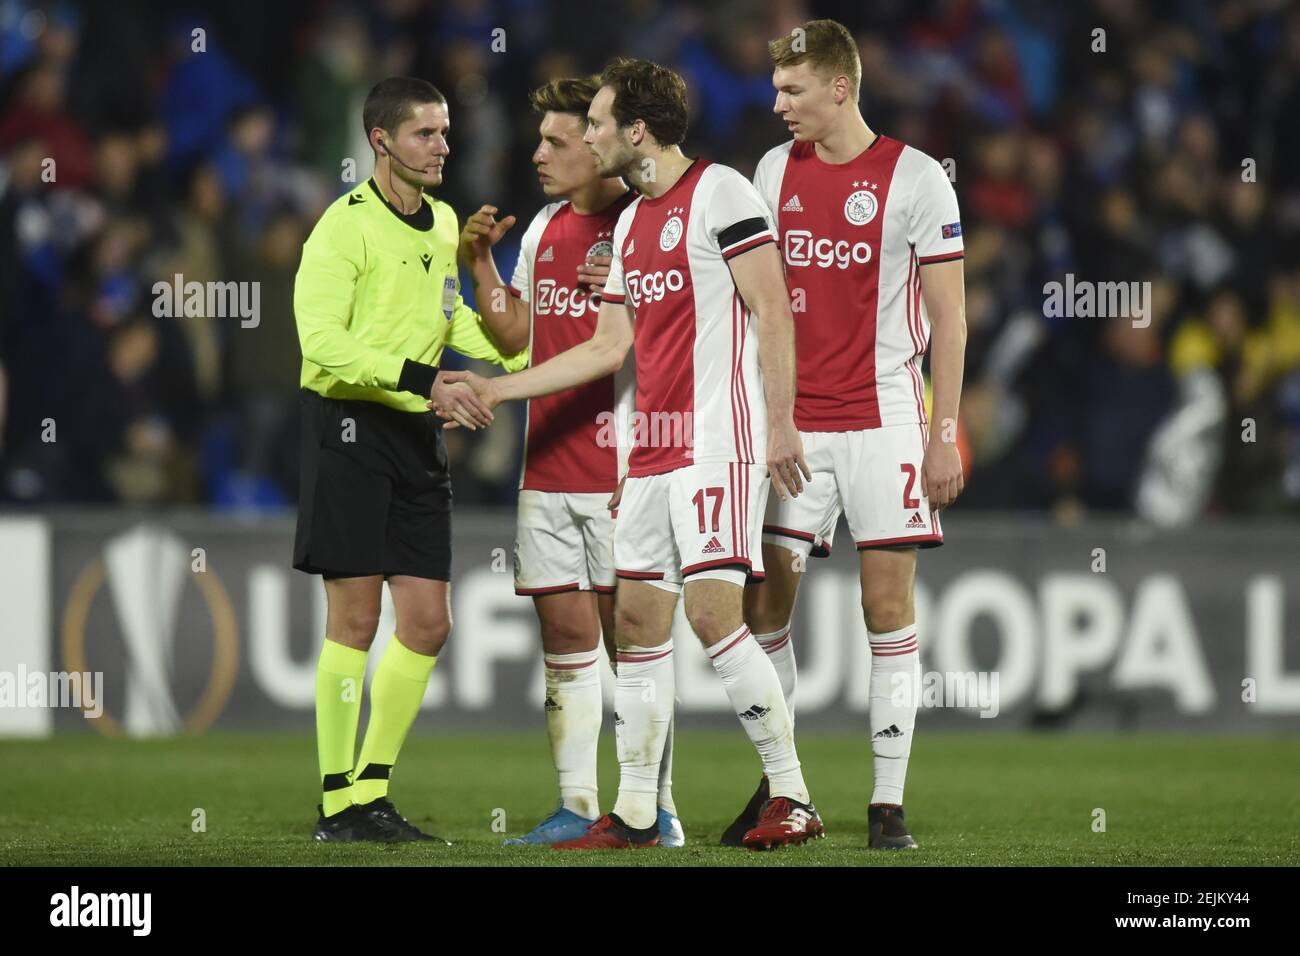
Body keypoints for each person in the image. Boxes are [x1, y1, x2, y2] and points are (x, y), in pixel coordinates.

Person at [439, 57, 822, 851]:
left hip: (718, 441)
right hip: (649, 453)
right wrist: (500, 389)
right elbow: (606, 347)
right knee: (642, 625)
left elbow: (774, 308)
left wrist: (782, 423)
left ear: (636, 131)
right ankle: (640, 815)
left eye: (602, 124)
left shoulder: (721, 192)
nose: (592, 134)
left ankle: (792, 794)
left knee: (714, 615)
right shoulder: (636, 225)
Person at [726, 19, 968, 850]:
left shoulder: (917, 179)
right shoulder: (770, 170)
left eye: (793, 90)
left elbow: (952, 319)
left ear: (839, 87)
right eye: (775, 89)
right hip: (794, 428)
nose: (778, 104)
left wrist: (945, 433)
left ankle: (886, 806)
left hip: (888, 424)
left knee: (885, 605)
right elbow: (750, 293)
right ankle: (782, 787)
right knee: (764, 608)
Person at [293, 76, 526, 842]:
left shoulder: (444, 223)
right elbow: (321, 342)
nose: (444, 147)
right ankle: (336, 806)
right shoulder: (340, 229)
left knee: (426, 624)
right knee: (355, 619)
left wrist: (517, 353)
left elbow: (452, 320)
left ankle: (371, 790)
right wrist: (425, 381)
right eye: (426, 133)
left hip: (416, 437)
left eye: (447, 131)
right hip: (353, 430)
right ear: (381, 142)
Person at [455, 75, 682, 846]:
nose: (540, 153)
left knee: (635, 647)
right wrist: (482, 265)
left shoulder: (644, 226)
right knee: (564, 642)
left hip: (623, 469)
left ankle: (657, 807)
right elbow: (515, 334)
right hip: (545, 468)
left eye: (558, 140)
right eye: (543, 139)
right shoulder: (547, 226)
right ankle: (577, 804)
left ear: (598, 143)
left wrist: (635, 295)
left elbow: (673, 334)